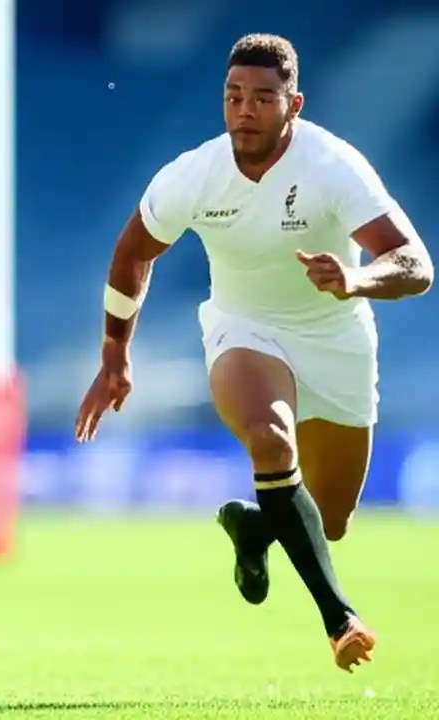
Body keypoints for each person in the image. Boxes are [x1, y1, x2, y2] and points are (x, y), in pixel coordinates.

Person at [76, 34, 433, 672]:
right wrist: (114, 354)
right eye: (234, 96)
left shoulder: (332, 166)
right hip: (244, 330)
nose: (244, 110)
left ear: (293, 103)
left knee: (331, 521)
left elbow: (415, 264)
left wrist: (357, 280)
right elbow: (133, 251)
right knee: (272, 442)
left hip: (337, 337)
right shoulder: (195, 173)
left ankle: (256, 528)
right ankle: (340, 618)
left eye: (262, 99)